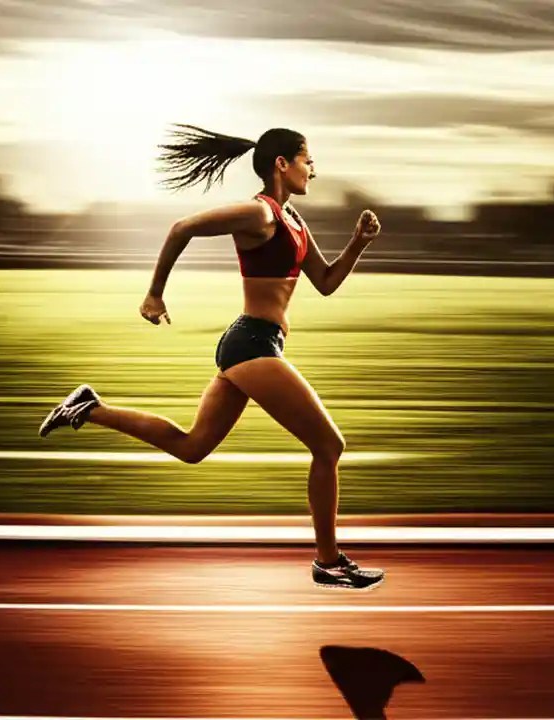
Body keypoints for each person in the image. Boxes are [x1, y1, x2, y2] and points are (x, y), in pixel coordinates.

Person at [39, 125, 384, 591]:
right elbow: (183, 227)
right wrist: (154, 294)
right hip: (251, 345)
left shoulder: (294, 221)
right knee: (329, 446)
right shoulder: (258, 214)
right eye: (308, 160)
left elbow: (324, 281)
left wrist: (358, 243)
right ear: (281, 164)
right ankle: (328, 560)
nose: (314, 170)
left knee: (191, 447)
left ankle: (89, 407)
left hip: (258, 346)